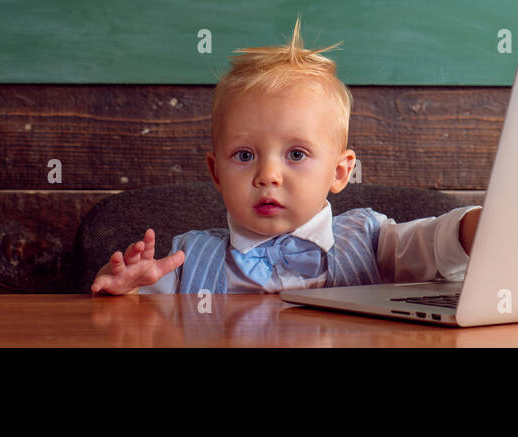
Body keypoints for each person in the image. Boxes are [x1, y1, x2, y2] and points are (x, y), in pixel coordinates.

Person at [91, 18, 482, 294]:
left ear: (340, 171)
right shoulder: (184, 261)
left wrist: (476, 229)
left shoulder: (373, 241)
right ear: (216, 172)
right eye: (244, 155)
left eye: (296, 153)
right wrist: (125, 287)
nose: (268, 175)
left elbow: (433, 244)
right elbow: (133, 326)